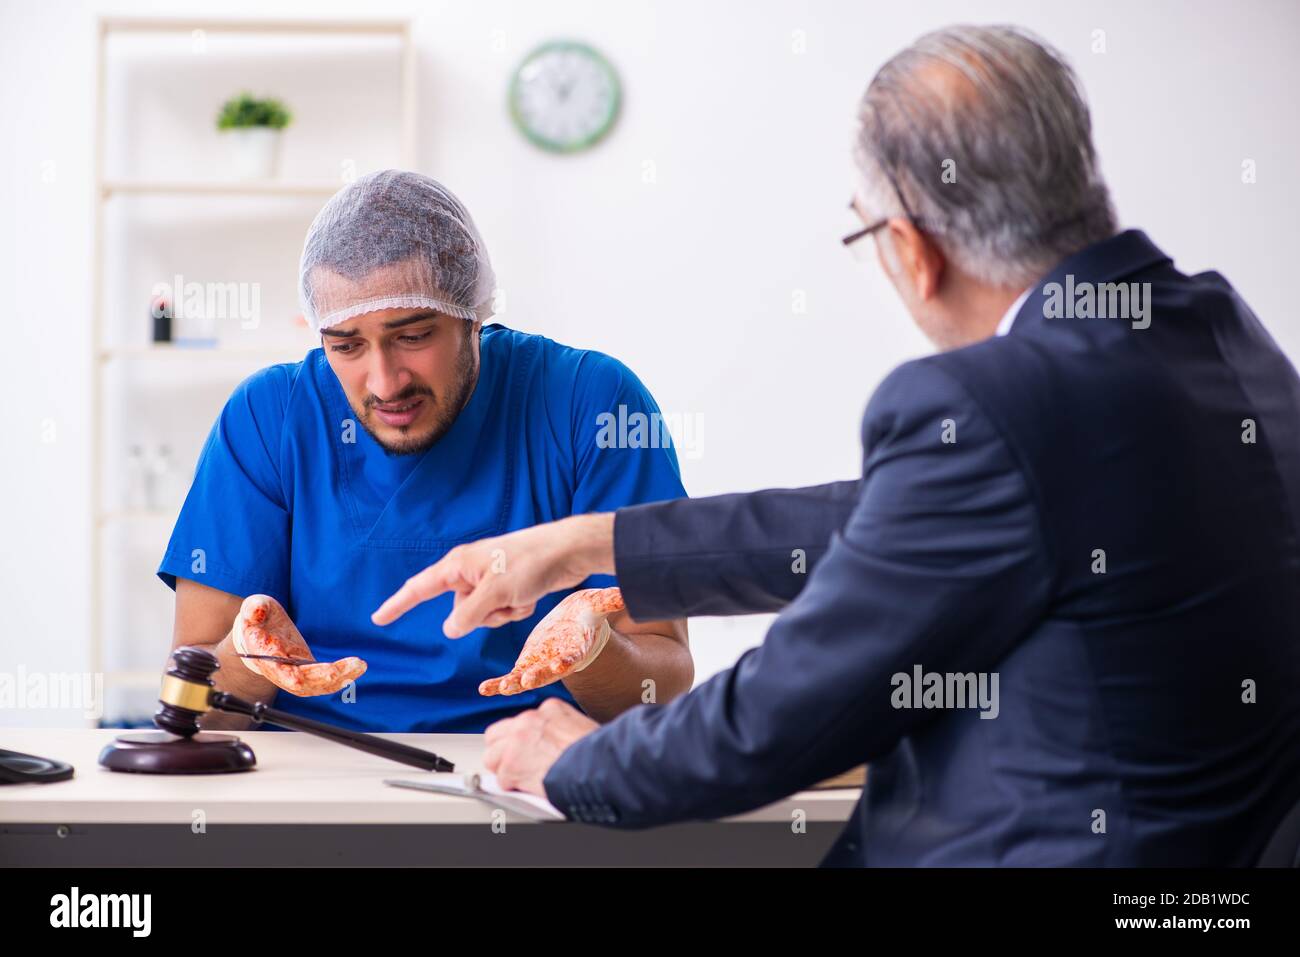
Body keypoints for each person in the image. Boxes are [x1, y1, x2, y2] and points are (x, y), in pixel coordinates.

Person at [372, 26, 1300, 865]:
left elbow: (784, 716)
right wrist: (587, 542)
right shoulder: (1220, 334)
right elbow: (888, 524)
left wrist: (575, 760)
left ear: (913, 246)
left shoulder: (994, 402)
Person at [159, 171, 691, 733]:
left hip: (530, 768)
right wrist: (249, 659)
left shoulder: (594, 404)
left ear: (470, 311)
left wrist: (589, 652)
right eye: (346, 346)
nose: (385, 383)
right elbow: (192, 705)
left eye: (412, 336)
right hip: (312, 767)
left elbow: (667, 681)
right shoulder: (268, 418)